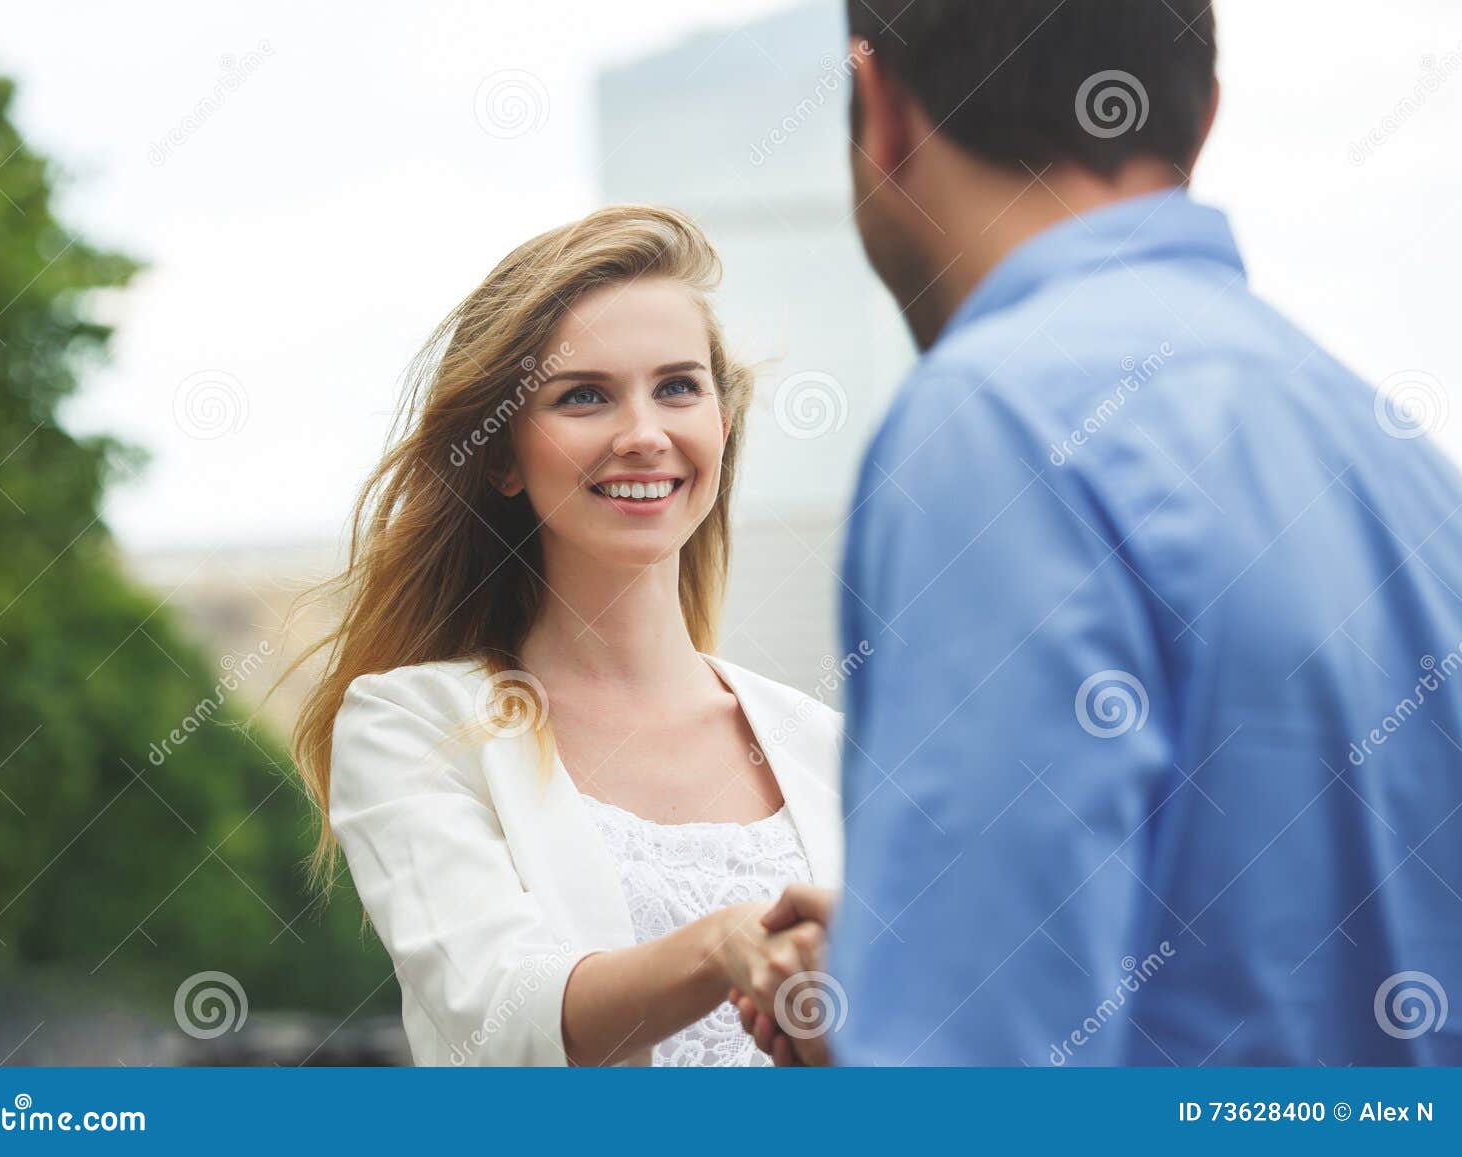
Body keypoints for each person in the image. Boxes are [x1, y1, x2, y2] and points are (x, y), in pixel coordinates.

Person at [740, 0, 1462, 1065]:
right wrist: (911, 955)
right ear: (1202, 117)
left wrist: (890, 1034)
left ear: (882, 108)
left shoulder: (991, 420)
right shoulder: (1397, 455)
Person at [289, 205, 844, 1066]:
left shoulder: (829, 746)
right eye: (584, 395)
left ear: (722, 426)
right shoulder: (413, 727)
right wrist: (721, 946)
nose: (644, 434)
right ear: (502, 456)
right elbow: (501, 1019)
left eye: (678, 386)